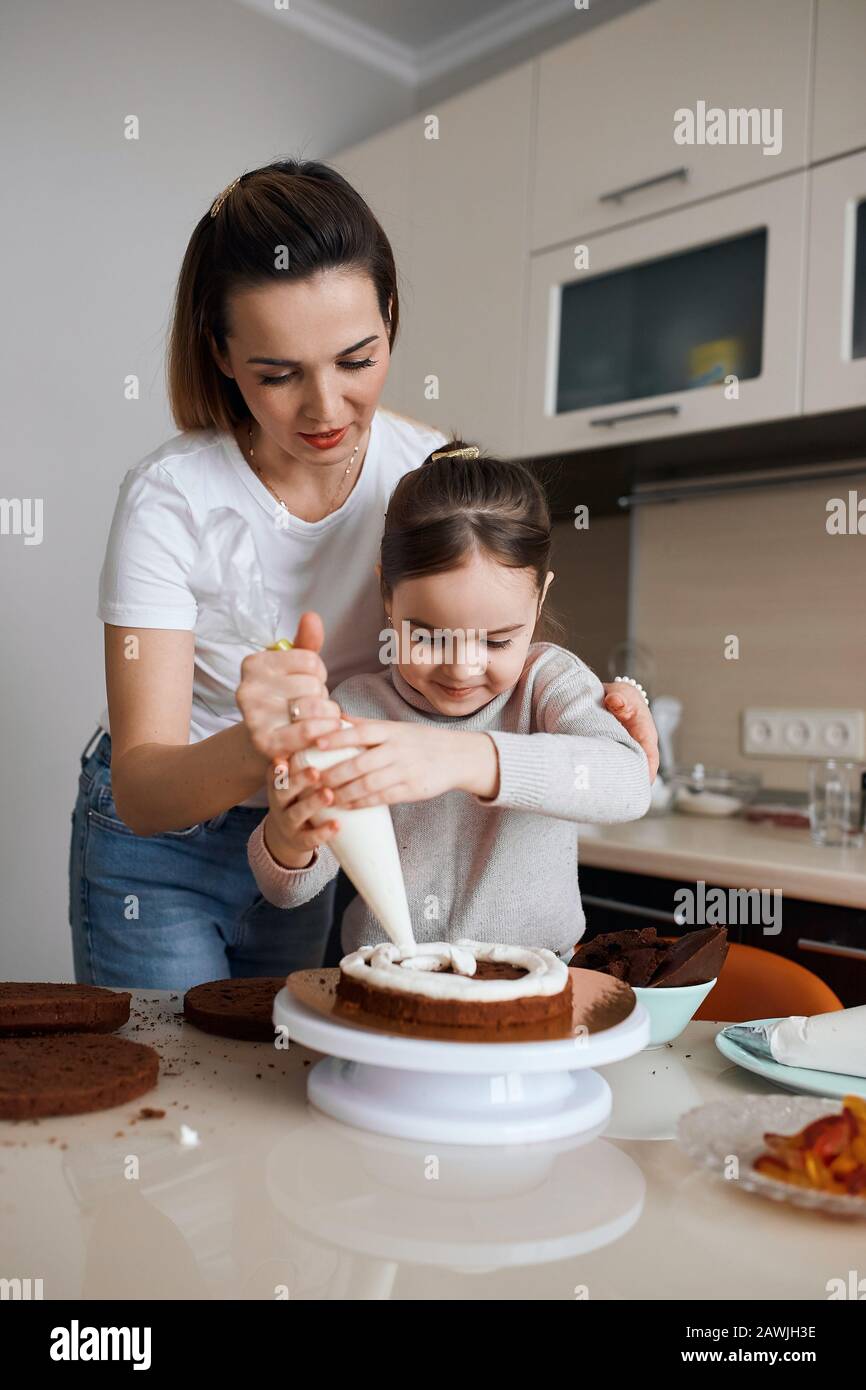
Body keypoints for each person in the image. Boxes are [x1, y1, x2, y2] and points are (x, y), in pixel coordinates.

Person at [70, 159, 659, 991]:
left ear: (389, 317)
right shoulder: (172, 499)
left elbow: (504, 615)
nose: (326, 410)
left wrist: (607, 718)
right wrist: (270, 749)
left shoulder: (427, 473)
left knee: (271, 1077)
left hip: (325, 828)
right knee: (179, 1083)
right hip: (168, 839)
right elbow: (142, 787)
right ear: (223, 355)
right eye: (278, 374)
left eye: (357, 359)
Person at [244, 441, 651, 960]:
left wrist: (463, 757)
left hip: (536, 981)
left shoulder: (547, 684)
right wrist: (290, 835)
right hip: (394, 980)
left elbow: (628, 783)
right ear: (388, 596)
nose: (461, 667)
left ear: (540, 598)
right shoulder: (359, 710)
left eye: (497, 640)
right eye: (428, 636)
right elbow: (287, 891)